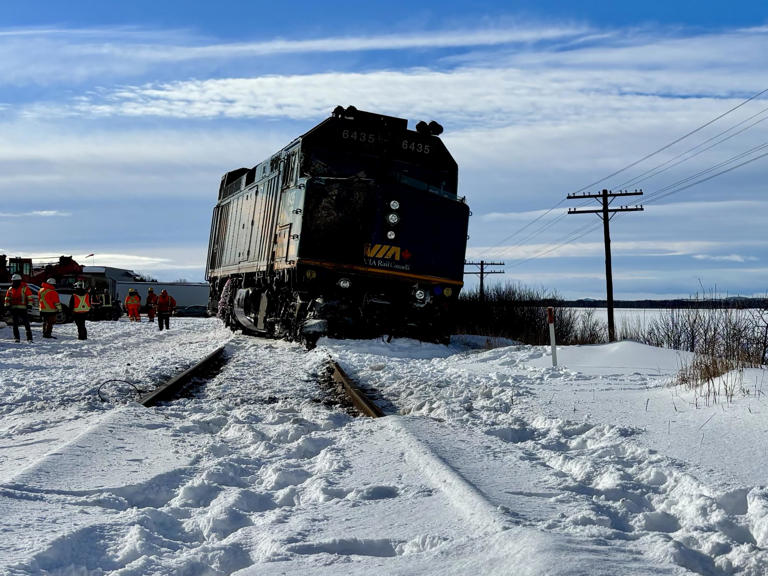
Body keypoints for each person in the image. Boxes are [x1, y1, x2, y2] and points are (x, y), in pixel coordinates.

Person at [4, 274, 33, 342]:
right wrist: (7, 305)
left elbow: (29, 297)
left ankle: (29, 338)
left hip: (22, 308)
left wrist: (29, 305)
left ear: (19, 281)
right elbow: (7, 298)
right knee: (15, 324)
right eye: (14, 281)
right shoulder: (10, 289)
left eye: (16, 281)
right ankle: (17, 338)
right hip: (14, 309)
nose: (14, 282)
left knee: (26, 324)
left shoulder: (24, 288)